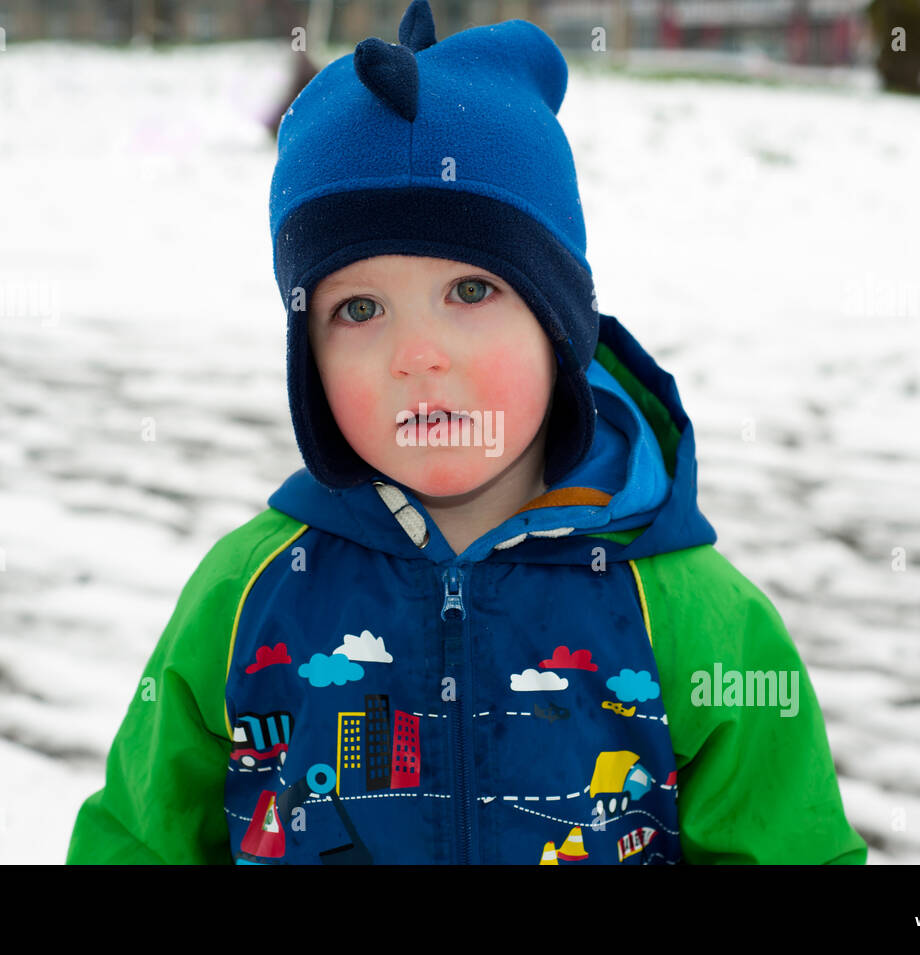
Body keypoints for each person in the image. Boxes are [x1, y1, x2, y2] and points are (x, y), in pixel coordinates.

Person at [66, 0, 867, 865]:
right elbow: (137, 842)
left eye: (472, 292)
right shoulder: (246, 596)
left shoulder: (692, 611)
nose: (418, 356)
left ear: (558, 325)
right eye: (360, 309)